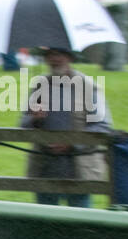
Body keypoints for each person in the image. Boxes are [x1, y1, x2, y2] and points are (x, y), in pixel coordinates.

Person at [20, 47, 112, 208]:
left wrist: (71, 143)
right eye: (49, 55)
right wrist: (35, 119)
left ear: (69, 57)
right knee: (45, 220)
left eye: (58, 54)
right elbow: (23, 124)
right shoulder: (40, 85)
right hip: (44, 167)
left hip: (78, 169)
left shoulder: (87, 86)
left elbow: (102, 126)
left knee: (80, 222)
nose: (54, 59)